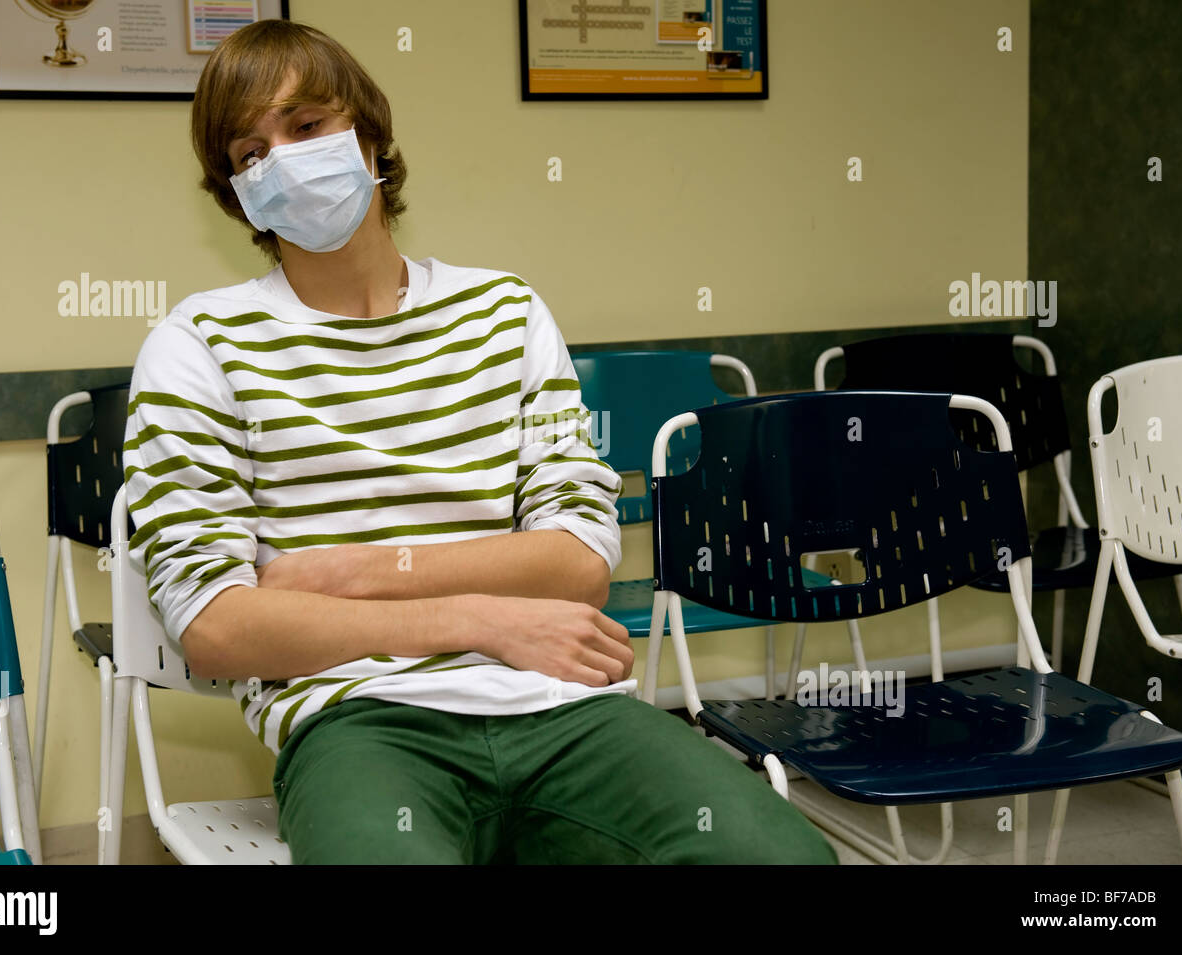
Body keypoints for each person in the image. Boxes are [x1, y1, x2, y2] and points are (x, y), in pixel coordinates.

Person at [123, 18, 836, 865]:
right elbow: (215, 624)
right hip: (357, 723)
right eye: (249, 152)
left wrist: (346, 571)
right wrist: (483, 617)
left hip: (561, 706)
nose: (279, 160)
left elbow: (578, 559)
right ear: (235, 191)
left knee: (779, 856)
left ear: (370, 136)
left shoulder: (505, 312)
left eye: (306, 127)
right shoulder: (198, 343)